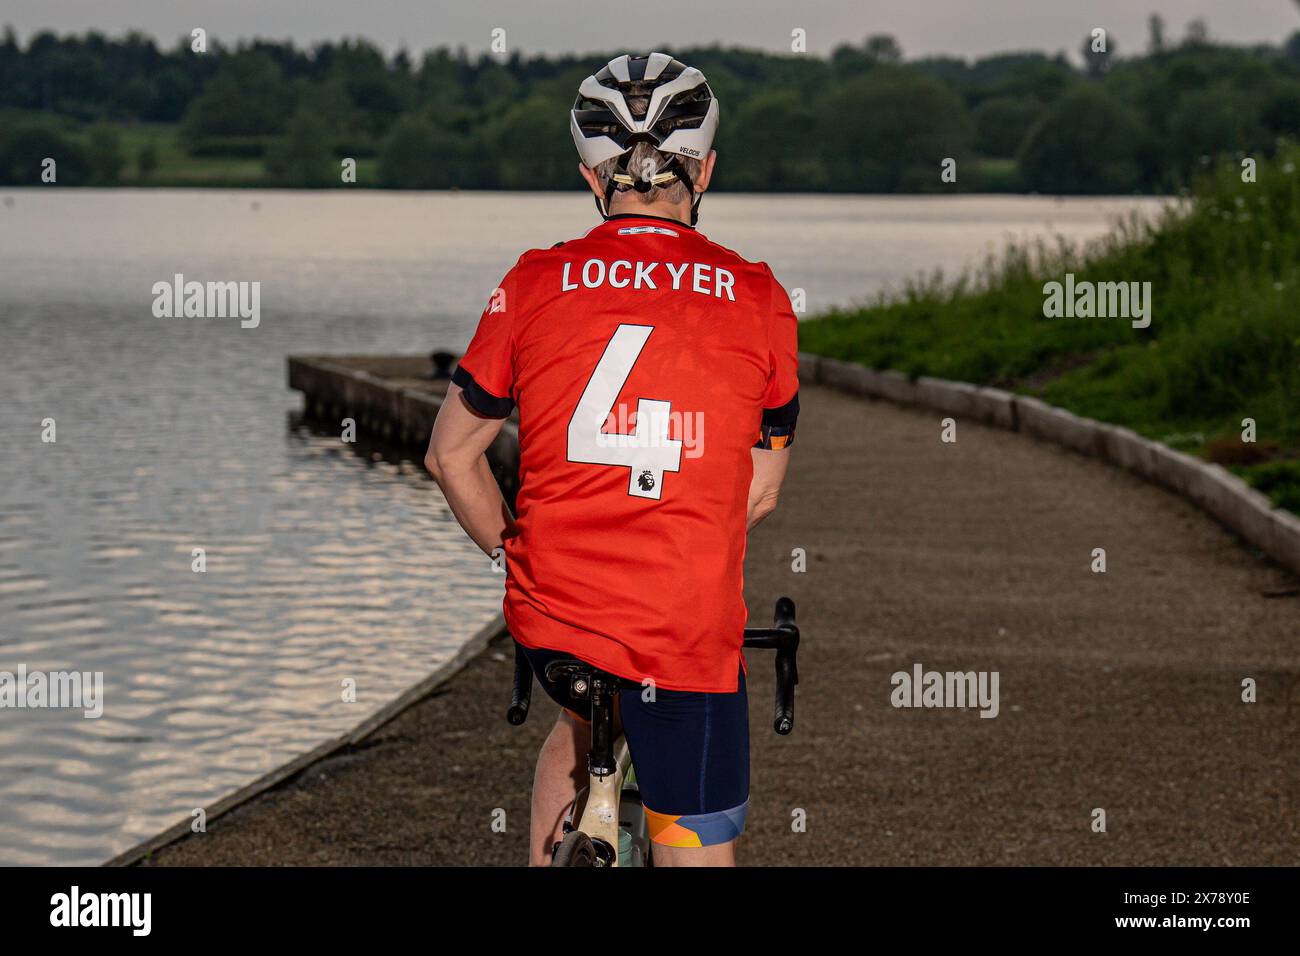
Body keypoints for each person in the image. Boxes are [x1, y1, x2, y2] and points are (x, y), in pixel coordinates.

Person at [425, 52, 798, 866]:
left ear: (593, 180)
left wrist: (512, 555)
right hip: (682, 631)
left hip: (554, 618)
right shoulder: (759, 295)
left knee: (582, 720)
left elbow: (452, 457)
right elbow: (759, 491)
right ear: (702, 172)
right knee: (696, 844)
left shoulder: (532, 282)